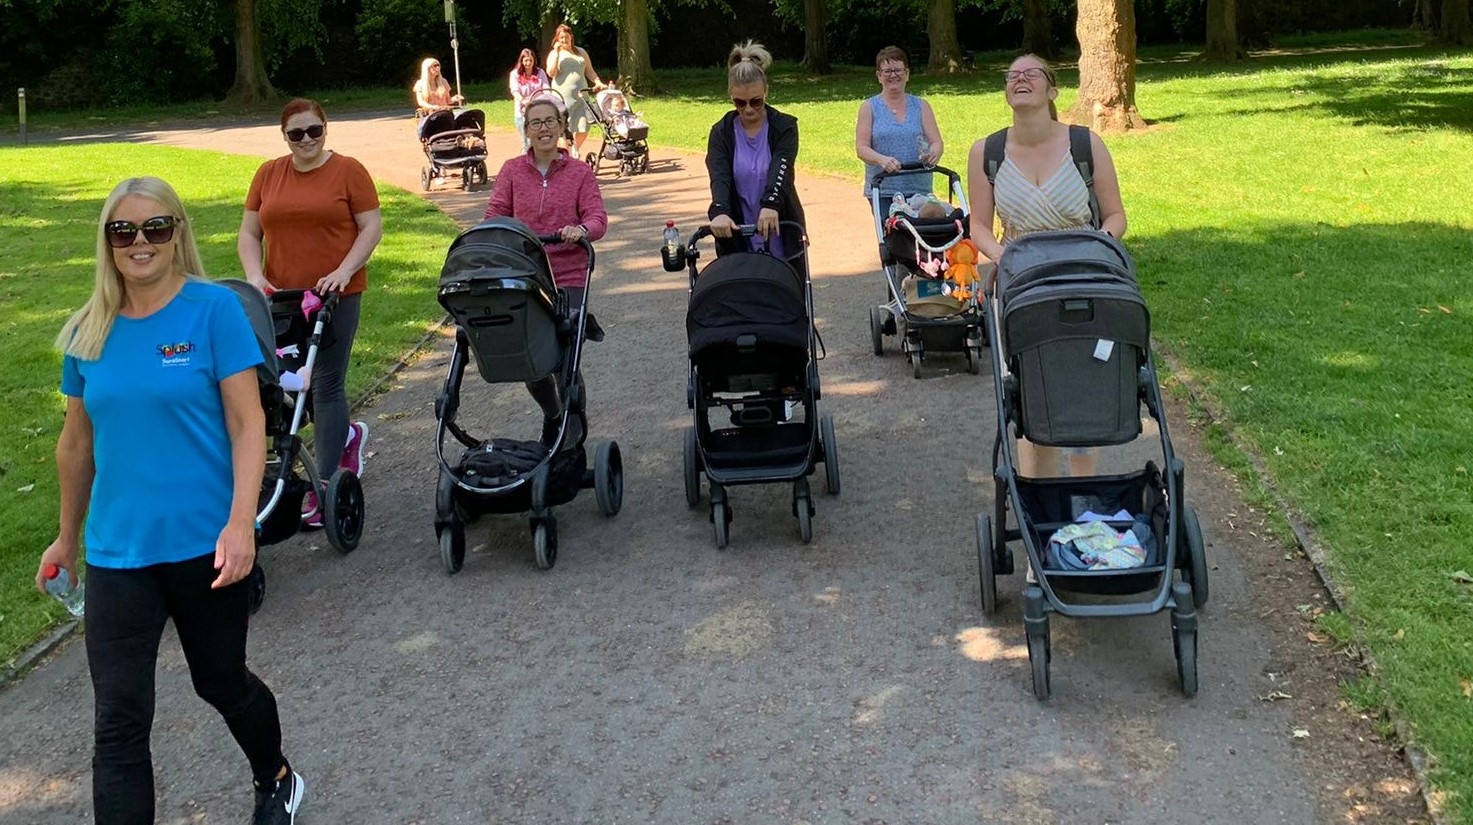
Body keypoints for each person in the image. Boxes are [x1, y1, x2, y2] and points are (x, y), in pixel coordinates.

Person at [37, 176, 305, 825]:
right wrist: (66, 538)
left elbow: (248, 425)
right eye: (123, 230)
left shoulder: (213, 312)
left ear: (178, 232)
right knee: (118, 722)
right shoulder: (87, 330)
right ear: (107, 241)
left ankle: (276, 777)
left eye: (155, 227)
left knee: (220, 681)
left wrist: (243, 522)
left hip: (205, 545)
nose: (140, 241)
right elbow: (77, 446)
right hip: (117, 554)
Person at [966, 54, 1128, 478]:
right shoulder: (988, 152)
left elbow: (1115, 217)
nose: (1020, 78)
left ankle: (1084, 497)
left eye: (1030, 73)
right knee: (1029, 392)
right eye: (1012, 75)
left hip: (1081, 277)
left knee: (1081, 384)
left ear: (1052, 90)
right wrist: (1004, 257)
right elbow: (978, 224)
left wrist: (1097, 248)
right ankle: (1040, 498)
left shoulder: (1085, 144)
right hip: (1021, 283)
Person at [238, 98, 382, 526]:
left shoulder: (349, 171)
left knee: (325, 383)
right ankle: (346, 437)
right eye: (296, 134)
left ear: (325, 128)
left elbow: (371, 226)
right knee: (284, 384)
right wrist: (253, 276)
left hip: (335, 294)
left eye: (313, 131)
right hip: (281, 298)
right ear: (284, 136)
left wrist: (343, 270)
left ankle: (325, 482)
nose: (306, 140)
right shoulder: (268, 174)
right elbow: (249, 232)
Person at [484, 94, 609, 445]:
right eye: (536, 123)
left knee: (564, 357)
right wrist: (507, 236)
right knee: (532, 359)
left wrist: (581, 231)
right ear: (526, 130)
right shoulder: (511, 171)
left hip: (568, 274)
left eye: (550, 121)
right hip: (526, 275)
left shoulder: (580, 173)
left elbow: (597, 219)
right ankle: (554, 415)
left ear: (561, 126)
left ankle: (573, 423)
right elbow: (494, 215)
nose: (544, 129)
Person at [705, 40, 806, 267]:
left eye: (756, 101)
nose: (748, 109)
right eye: (740, 103)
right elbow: (719, 176)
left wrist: (771, 205)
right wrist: (720, 211)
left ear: (766, 92)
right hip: (739, 232)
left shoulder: (784, 127)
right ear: (731, 97)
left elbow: (782, 167)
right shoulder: (721, 133)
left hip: (782, 229)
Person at [855, 45, 944, 200]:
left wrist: (933, 153)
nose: (893, 75)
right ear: (879, 76)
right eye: (888, 71)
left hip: (919, 189)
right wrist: (882, 160)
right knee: (890, 225)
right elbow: (862, 148)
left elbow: (936, 142)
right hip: (883, 189)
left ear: (907, 74)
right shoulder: (869, 107)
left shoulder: (921, 106)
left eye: (898, 70)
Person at [545, 23, 605, 156]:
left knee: (585, 125)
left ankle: (575, 148)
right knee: (563, 131)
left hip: (581, 96)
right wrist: (556, 52)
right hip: (562, 97)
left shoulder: (581, 52)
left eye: (566, 37)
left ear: (571, 37)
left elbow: (590, 71)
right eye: (561, 38)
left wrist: (598, 82)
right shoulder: (555, 54)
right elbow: (551, 73)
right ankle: (566, 158)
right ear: (557, 39)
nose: (564, 40)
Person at [509, 48, 550, 145]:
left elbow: (546, 88)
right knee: (527, 142)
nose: (528, 63)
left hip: (539, 112)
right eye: (526, 60)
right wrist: (523, 100)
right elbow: (515, 91)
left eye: (531, 60)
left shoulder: (540, 73)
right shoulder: (515, 74)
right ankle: (526, 159)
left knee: (539, 140)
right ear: (522, 61)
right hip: (522, 113)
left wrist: (548, 98)